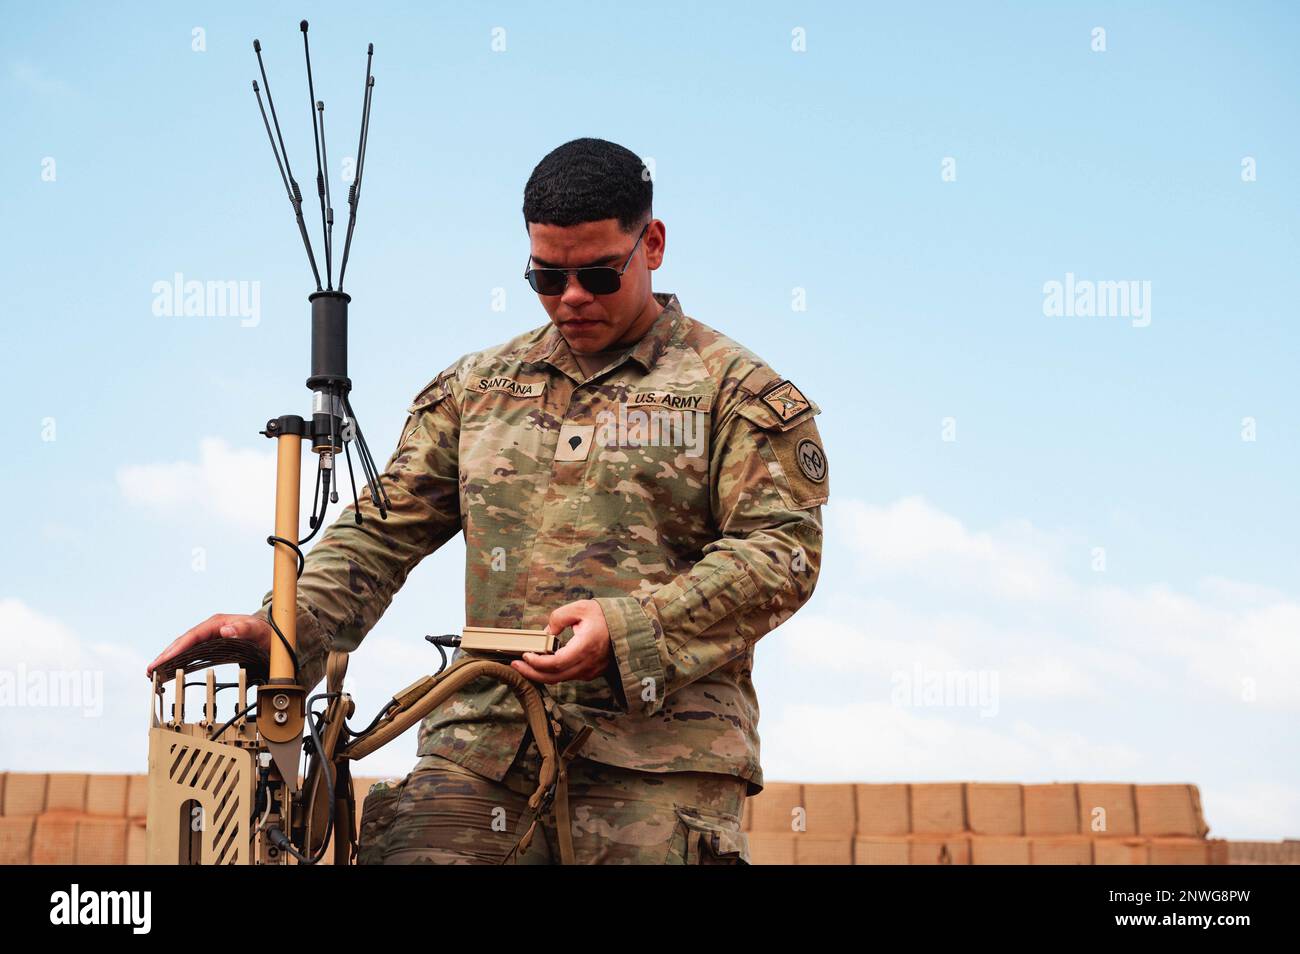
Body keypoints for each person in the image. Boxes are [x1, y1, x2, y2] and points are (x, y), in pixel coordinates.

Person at [147, 137, 829, 864]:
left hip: (656, 763)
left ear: (652, 244)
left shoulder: (737, 393)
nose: (571, 297)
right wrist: (286, 628)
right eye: (547, 275)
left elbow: (780, 555)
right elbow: (383, 529)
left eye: (599, 273)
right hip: (480, 746)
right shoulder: (481, 388)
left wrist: (629, 627)